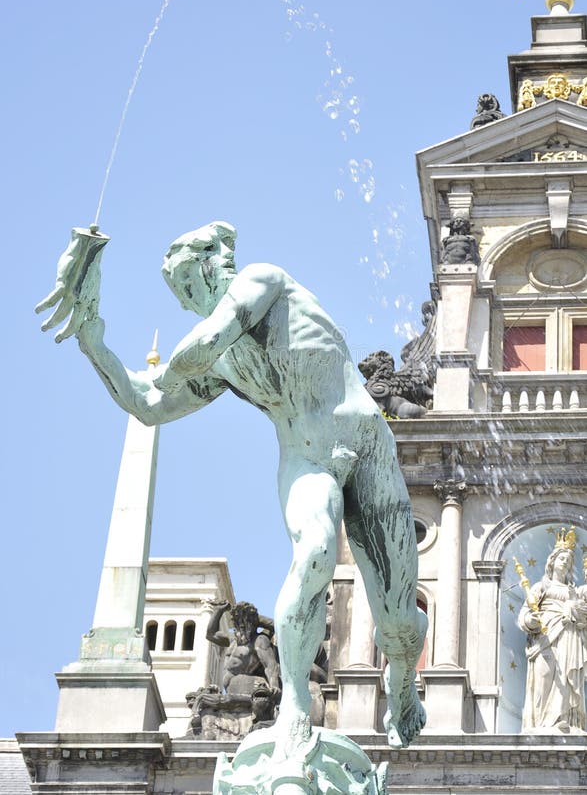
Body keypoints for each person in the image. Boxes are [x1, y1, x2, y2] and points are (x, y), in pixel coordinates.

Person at [37, 220, 427, 757]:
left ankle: (403, 679)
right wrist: (92, 340)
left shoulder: (262, 282)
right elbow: (147, 406)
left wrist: (165, 371)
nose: (192, 296)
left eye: (194, 280)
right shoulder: (218, 361)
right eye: (186, 290)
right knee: (314, 554)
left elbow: (206, 341)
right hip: (307, 459)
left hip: (367, 440)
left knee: (400, 621)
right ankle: (294, 704)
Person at [517, 533, 587, 734]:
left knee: (567, 678)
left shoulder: (574, 591)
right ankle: (540, 723)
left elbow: (583, 618)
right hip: (544, 639)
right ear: (552, 561)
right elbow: (524, 614)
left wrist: (574, 611)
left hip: (569, 638)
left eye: (569, 560)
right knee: (544, 677)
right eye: (562, 558)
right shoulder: (541, 587)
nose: (565, 563)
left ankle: (566, 720)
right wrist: (531, 620)